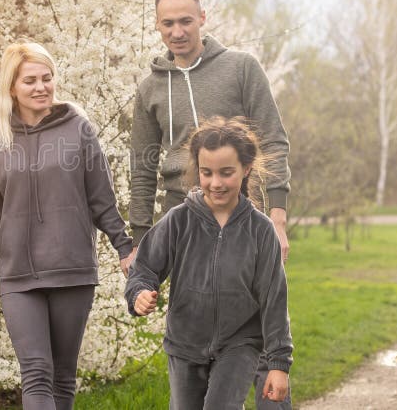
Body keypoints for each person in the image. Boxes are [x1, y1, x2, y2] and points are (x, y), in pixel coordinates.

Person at [129, 0, 292, 408]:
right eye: (168, 23)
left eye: (186, 20)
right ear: (158, 26)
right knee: (200, 326)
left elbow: (273, 140)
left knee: (257, 322)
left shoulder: (241, 67)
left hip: (245, 211)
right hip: (184, 216)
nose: (177, 31)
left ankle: (274, 390)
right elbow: (142, 165)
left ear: (203, 18)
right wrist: (139, 239)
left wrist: (278, 214)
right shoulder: (149, 88)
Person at [0, 39, 134, 410]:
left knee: (63, 377)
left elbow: (102, 198)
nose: (41, 87)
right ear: (12, 87)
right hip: (18, 276)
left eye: (47, 78)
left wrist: (124, 248)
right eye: (30, 80)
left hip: (72, 268)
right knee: (35, 372)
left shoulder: (78, 129)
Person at [125, 116, 293, 410]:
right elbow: (145, 268)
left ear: (246, 168)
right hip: (184, 344)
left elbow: (274, 299)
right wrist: (139, 292)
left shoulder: (261, 230)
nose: (216, 183)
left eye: (226, 172)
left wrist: (279, 363)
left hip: (240, 343)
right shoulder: (179, 220)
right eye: (207, 173)